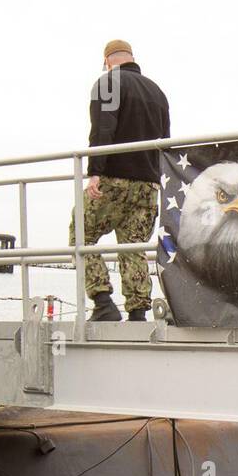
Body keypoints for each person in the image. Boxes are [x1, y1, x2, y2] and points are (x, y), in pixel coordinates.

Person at [70, 39, 171, 322]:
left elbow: (104, 127)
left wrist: (95, 172)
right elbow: (166, 140)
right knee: (133, 244)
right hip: (148, 184)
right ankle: (138, 312)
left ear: (107, 60)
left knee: (81, 233)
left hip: (115, 180)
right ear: (131, 58)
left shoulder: (108, 82)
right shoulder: (157, 93)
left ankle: (102, 301)